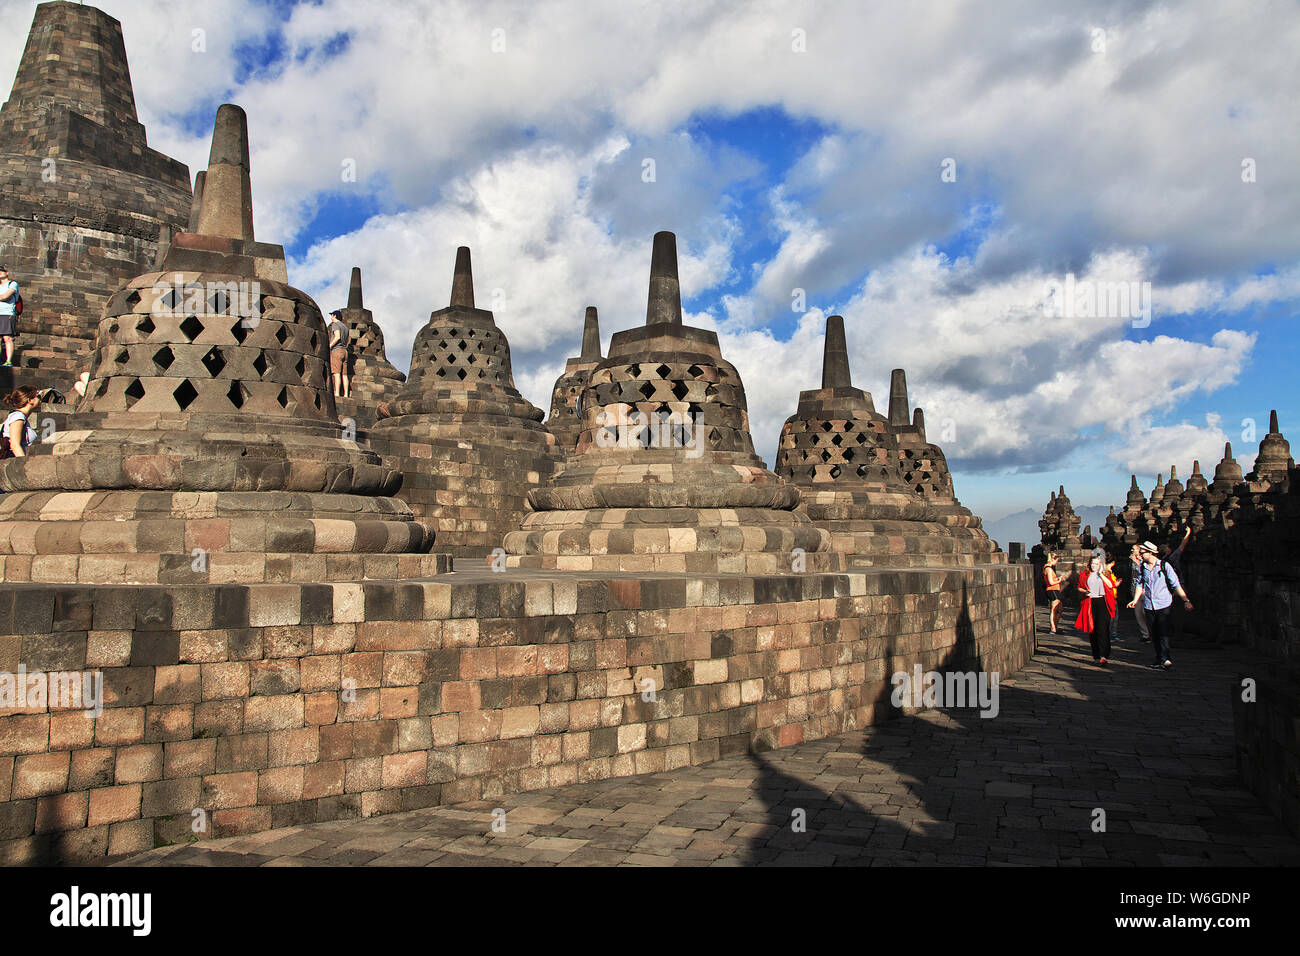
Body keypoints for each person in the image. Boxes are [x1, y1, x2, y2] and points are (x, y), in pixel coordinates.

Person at [1127, 539, 1193, 670]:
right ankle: (1158, 658)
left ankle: (1165, 658)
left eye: (1142, 552)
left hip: (1163, 604)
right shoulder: (1143, 567)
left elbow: (1175, 584)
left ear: (1151, 553)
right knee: (1155, 633)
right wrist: (1135, 600)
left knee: (1163, 632)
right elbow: (1140, 584)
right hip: (1149, 604)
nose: (1140, 555)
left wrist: (1186, 600)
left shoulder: (1164, 566)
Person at [1075, 552, 1115, 665]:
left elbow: (1110, 585)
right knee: (1092, 629)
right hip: (1090, 602)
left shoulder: (1105, 574)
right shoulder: (1084, 574)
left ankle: (1104, 655)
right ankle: (1096, 655)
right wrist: (1085, 592)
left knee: (1102, 629)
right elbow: (1079, 587)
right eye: (1093, 563)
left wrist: (1101, 573)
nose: (1094, 566)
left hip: (1103, 602)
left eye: (1097, 564)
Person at [2, 386, 39, 458]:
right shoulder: (18, 416)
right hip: (13, 461)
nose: (40, 400)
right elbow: (15, 445)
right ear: (30, 400)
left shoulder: (21, 417)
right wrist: (23, 465)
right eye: (38, 397)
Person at [1129, 543, 1151, 643]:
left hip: (1144, 589)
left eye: (1134, 549)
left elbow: (1144, 572)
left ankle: (1151, 632)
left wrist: (1136, 562)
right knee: (1138, 613)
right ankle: (1145, 634)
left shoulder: (1145, 560)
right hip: (1135, 588)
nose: (1132, 550)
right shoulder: (1132, 560)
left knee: (1146, 612)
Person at [328, 309, 350, 398]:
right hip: (345, 352)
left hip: (337, 350)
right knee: (344, 375)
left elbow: (337, 337)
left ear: (334, 316)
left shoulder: (335, 325)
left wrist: (329, 346)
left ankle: (336, 393)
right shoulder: (345, 327)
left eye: (331, 315)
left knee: (337, 373)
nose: (331, 317)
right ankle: (346, 394)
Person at [0, 266, 19, 367]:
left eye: (1, 271)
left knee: (7, 338)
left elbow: (5, 296)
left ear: (6, 272)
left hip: (7, 313)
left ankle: (8, 361)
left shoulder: (13, 284)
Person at [1043, 551, 1064, 634]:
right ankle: (1053, 628)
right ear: (1052, 560)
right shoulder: (1048, 568)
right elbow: (1051, 582)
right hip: (1052, 590)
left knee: (1060, 608)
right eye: (1056, 561)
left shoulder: (1049, 568)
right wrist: (1059, 580)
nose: (1056, 563)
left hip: (1054, 590)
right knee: (1054, 609)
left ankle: (1055, 626)